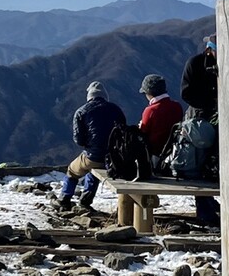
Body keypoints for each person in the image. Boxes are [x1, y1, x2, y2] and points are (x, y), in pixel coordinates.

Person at [56, 81, 126, 212]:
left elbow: (79, 140)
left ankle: (64, 199)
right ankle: (85, 201)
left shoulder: (81, 111)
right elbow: (123, 133)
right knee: (93, 173)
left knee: (72, 171)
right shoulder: (116, 109)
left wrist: (90, 144)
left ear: (89, 96)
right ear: (105, 96)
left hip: (93, 155)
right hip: (114, 158)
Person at [180, 33, 220, 226]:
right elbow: (186, 93)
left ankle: (209, 204)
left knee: (214, 163)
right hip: (198, 120)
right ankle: (205, 211)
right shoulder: (196, 63)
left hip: (220, 117)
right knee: (199, 163)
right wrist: (208, 104)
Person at [137, 74, 184, 159]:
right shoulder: (177, 106)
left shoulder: (150, 110)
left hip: (155, 154)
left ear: (148, 93)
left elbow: (143, 132)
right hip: (175, 152)